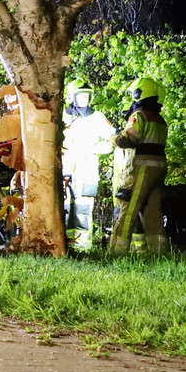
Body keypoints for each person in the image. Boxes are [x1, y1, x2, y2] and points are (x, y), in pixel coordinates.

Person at [109, 76, 169, 254]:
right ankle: (158, 252)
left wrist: (114, 139)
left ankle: (117, 251)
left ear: (138, 93)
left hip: (143, 167)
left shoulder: (139, 115)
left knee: (129, 208)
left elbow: (130, 139)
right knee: (152, 212)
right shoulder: (159, 118)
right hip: (160, 169)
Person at [62, 80, 115, 251]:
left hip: (87, 169)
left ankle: (83, 247)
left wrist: (94, 149)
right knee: (65, 207)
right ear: (72, 97)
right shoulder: (63, 116)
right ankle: (65, 245)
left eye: (87, 96)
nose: (85, 99)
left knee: (84, 209)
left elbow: (112, 141)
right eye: (81, 95)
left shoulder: (97, 117)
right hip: (66, 168)